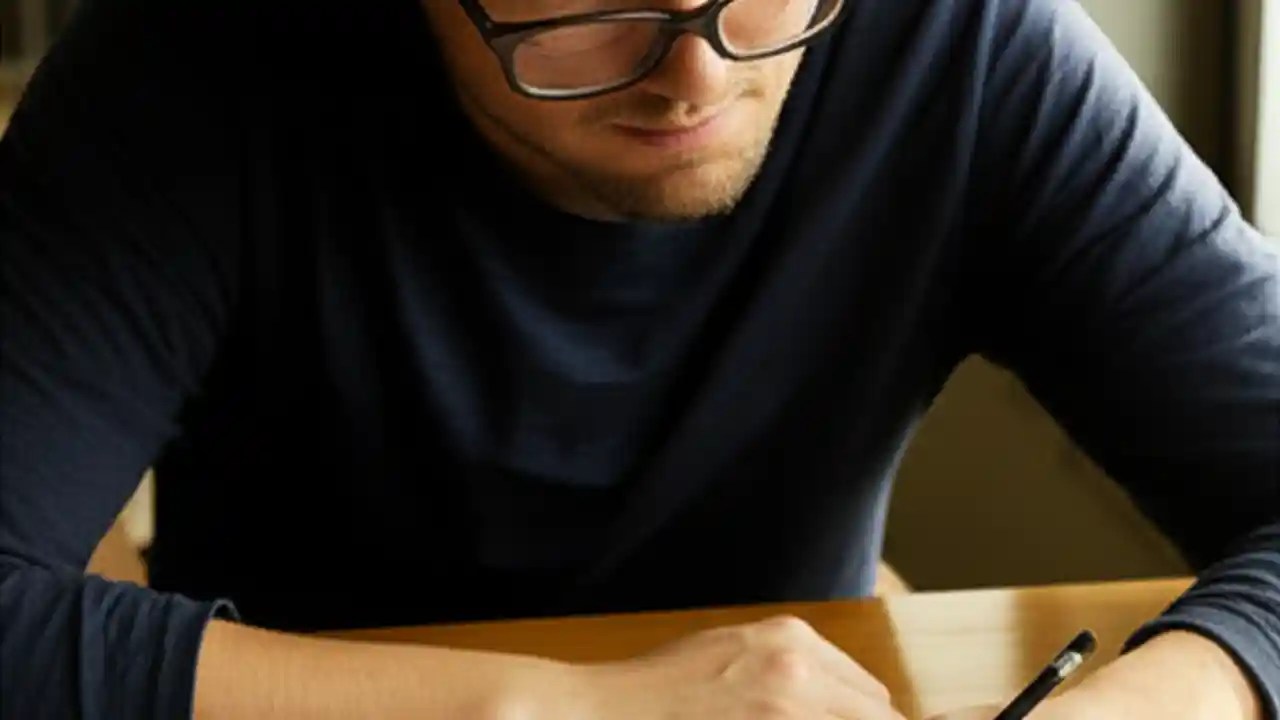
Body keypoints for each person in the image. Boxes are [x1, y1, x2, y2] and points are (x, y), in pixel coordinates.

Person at [1, 0, 1276, 717]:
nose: (695, 76)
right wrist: (556, 710)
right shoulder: (183, 62)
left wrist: (1150, 706)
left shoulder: (964, 42)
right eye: (595, 4)